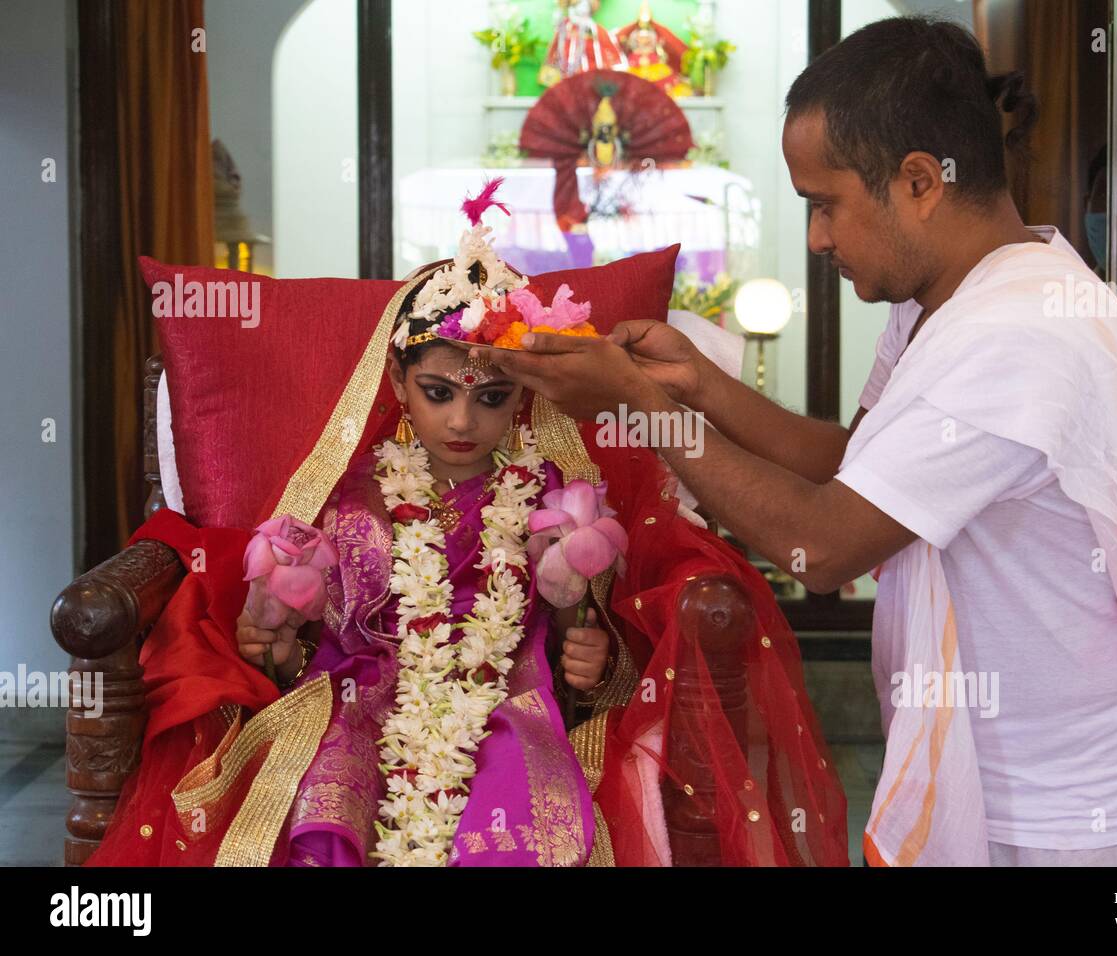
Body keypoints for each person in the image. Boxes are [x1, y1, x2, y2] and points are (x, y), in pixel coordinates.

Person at [477, 16, 1117, 867]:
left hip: (1068, 819)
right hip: (1002, 786)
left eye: (825, 204)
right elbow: (856, 467)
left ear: (919, 182)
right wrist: (699, 385)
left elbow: (825, 544)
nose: (817, 239)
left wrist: (643, 407)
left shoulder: (1020, 333)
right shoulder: (943, 299)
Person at [86, 187, 847, 867]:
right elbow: (308, 644)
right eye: (438, 391)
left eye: (490, 397)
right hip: (356, 706)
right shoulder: (352, 499)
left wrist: (596, 658)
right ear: (395, 384)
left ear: (524, 396)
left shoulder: (556, 502)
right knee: (329, 802)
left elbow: (595, 639)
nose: (461, 420)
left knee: (510, 806)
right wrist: (277, 647)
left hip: (508, 702)